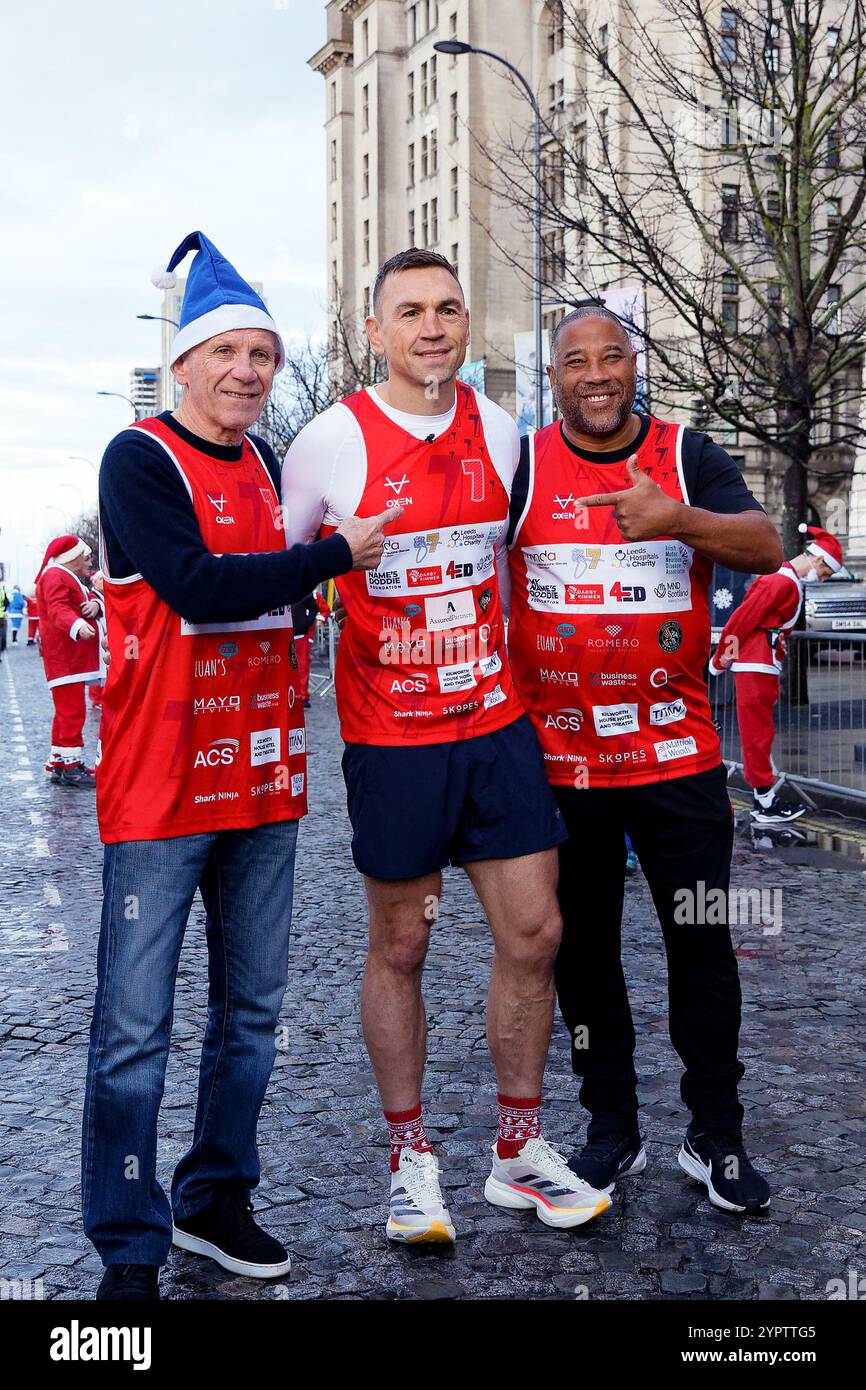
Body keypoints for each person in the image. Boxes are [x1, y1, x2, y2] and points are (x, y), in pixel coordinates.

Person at [83, 231, 390, 1302]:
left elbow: (285, 597)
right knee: (133, 1031)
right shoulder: (139, 459)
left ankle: (216, 1197)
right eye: (228, 353)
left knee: (251, 1013)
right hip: (161, 791)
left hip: (261, 783)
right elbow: (197, 585)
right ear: (183, 364)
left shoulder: (266, 462)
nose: (248, 372)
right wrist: (332, 559)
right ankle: (129, 1241)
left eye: (263, 354)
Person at [283, 248, 610, 1245]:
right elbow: (286, 574)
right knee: (403, 943)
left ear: (465, 324)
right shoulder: (328, 442)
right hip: (394, 741)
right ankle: (409, 1160)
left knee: (535, 934)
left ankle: (516, 1151)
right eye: (409, 312)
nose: (432, 327)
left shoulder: (502, 432)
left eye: (447, 309)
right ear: (374, 331)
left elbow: (511, 562)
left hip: (495, 728)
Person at [506, 304, 783, 1214]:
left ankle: (717, 1133)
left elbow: (766, 546)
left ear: (635, 366)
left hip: (678, 762)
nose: (596, 374)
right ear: (555, 376)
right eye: (576, 361)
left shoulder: (687, 452)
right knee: (584, 956)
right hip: (566, 768)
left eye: (612, 357)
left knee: (702, 944)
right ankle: (611, 1127)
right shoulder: (525, 463)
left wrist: (679, 518)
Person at [710, 523, 843, 824]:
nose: (822, 579)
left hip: (763, 661)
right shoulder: (781, 582)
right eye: (825, 572)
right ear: (818, 560)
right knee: (757, 734)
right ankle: (765, 800)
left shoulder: (785, 580)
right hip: (757, 662)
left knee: (759, 733)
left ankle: (765, 796)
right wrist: (720, 659)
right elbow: (743, 619)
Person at [34, 536, 102, 786]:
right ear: (72, 557)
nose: (89, 561)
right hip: (65, 659)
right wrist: (77, 624)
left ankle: (61, 763)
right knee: (72, 712)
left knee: (65, 712)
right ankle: (72, 766)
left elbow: (84, 598)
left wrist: (94, 605)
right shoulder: (55, 575)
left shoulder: (64, 576)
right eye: (86, 556)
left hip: (69, 659)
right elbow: (57, 608)